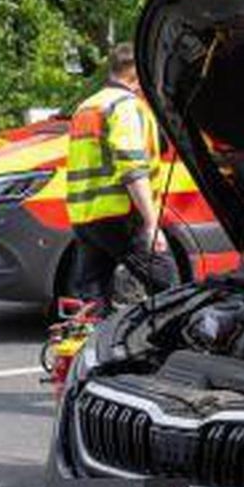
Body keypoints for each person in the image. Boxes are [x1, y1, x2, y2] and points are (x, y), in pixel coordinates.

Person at [63, 43, 169, 305]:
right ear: (137, 74)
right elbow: (132, 168)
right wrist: (152, 223)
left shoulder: (87, 106)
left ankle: (89, 343)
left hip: (85, 218)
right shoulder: (124, 106)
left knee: (91, 299)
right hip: (120, 216)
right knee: (169, 288)